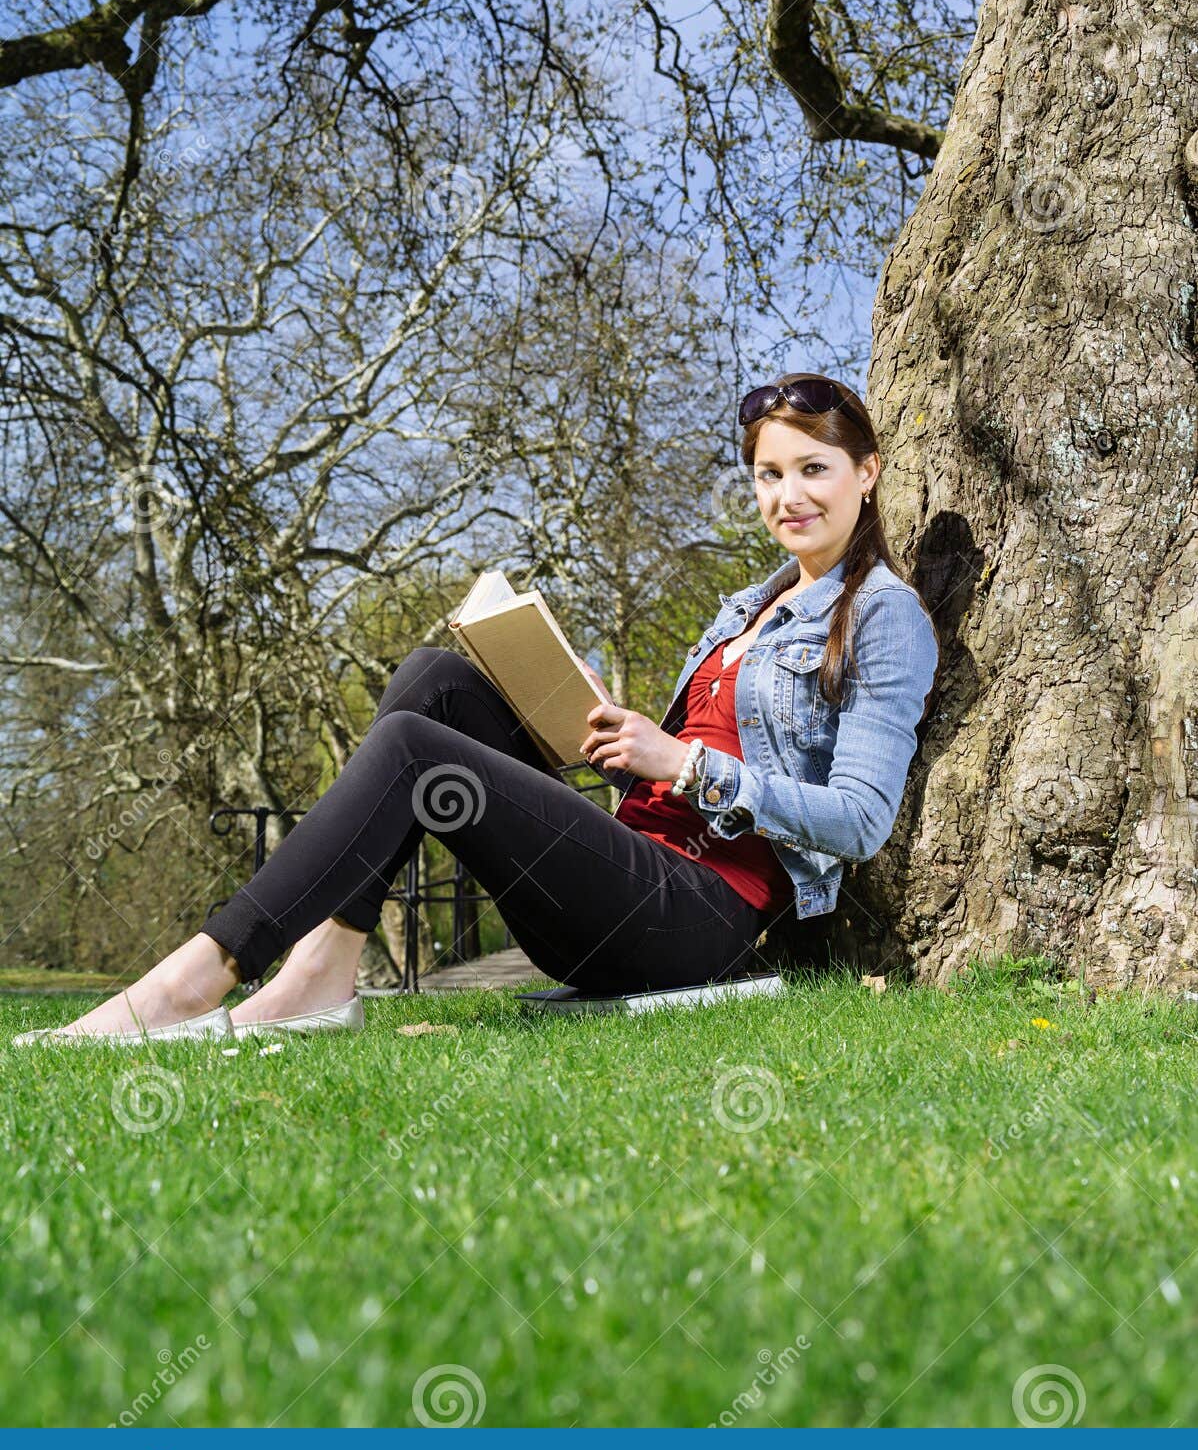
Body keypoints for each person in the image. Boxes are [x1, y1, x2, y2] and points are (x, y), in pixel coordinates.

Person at [16, 373, 939, 1043]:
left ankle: (195, 980)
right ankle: (322, 968)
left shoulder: (884, 614)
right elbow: (682, 751)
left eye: (813, 470)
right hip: (624, 874)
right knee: (437, 681)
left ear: (866, 473)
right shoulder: (750, 605)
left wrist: (686, 765)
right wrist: (602, 727)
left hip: (695, 918)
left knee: (416, 749)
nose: (788, 497)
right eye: (769, 476)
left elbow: (859, 822)